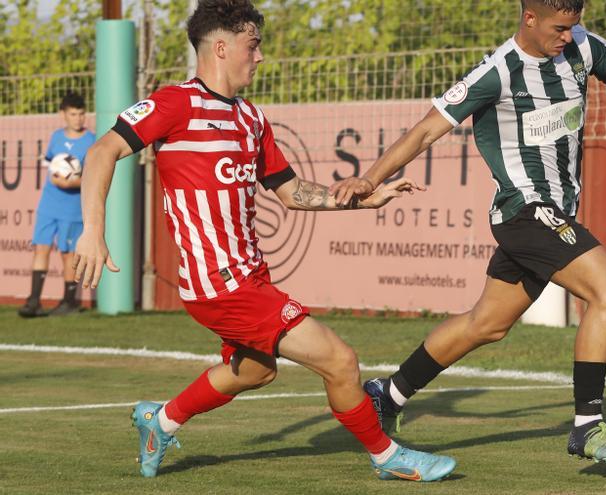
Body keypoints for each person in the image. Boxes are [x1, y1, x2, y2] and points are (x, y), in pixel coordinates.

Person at [74, 0, 455, 482]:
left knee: (256, 371)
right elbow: (102, 151)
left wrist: (363, 200)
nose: (259, 57)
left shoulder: (251, 119)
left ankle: (161, 419)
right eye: (252, 46)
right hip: (218, 284)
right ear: (220, 46)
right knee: (341, 360)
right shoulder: (176, 103)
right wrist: (92, 230)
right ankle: (387, 457)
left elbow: (293, 194)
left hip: (251, 276)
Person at [330, 0, 606, 465]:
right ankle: (587, 426)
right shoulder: (498, 71)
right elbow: (425, 132)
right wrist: (370, 178)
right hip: (524, 209)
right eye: (559, 28)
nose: (567, 36)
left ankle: (389, 393)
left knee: (487, 323)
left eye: (573, 27)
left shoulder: (582, 45)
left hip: (554, 212)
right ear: (529, 19)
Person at [19, 93, 95, 318]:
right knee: (41, 247)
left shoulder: (91, 141)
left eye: (81, 114)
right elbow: (53, 166)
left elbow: (93, 176)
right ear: (63, 115)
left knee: (67, 254)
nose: (78, 118)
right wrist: (56, 178)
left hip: (72, 208)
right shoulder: (56, 137)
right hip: (49, 204)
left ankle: (69, 302)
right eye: (73, 114)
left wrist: (74, 181)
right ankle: (34, 301)